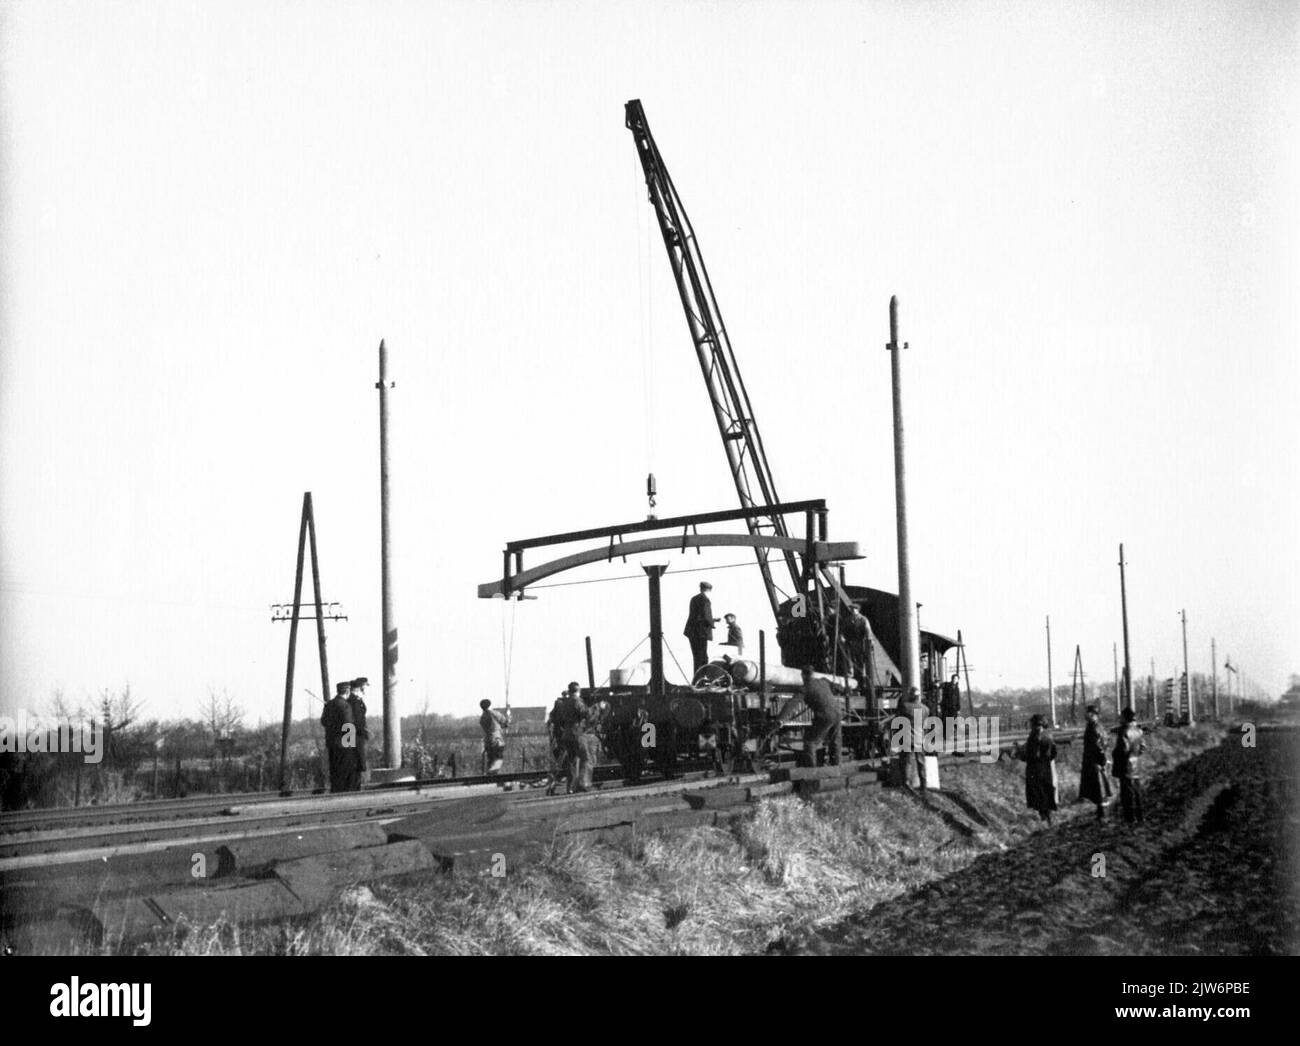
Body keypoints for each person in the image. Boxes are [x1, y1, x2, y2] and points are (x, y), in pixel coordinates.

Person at [779, 665, 842, 769]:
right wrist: (844, 689)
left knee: (810, 742)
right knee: (835, 741)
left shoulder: (805, 688)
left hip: (825, 715)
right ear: (813, 674)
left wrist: (781, 719)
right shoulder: (823, 681)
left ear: (802, 675)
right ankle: (837, 768)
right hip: (838, 713)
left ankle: (811, 771)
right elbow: (838, 687)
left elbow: (791, 704)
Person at [551, 681, 594, 793]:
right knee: (587, 759)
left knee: (572, 761)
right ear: (577, 691)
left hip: (566, 735)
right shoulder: (576, 701)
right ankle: (583, 783)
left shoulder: (563, 703)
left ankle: (570, 787)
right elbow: (586, 713)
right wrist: (597, 707)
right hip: (577, 734)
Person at [321, 682, 358, 793]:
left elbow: (323, 721)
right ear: (347, 691)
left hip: (332, 743)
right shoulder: (345, 705)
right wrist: (351, 744)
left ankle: (336, 790)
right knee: (346, 769)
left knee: (335, 769)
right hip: (344, 743)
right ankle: (345, 793)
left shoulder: (329, 705)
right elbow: (348, 725)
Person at [1022, 713, 1059, 823]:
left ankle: (1045, 819)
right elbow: (1054, 752)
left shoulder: (1035, 736)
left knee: (1038, 794)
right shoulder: (1048, 735)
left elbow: (1032, 755)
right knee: (1046, 792)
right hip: (1046, 768)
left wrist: (1019, 755)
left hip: (1035, 769)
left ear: (1035, 724)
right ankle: (1048, 818)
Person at [1112, 706, 1146, 824]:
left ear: (1125, 718)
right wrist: (1135, 755)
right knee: (1137, 792)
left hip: (1125, 766)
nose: (1119, 718)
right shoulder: (1139, 730)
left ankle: (1130, 819)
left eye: (1121, 716)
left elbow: (1123, 749)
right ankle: (1140, 816)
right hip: (1136, 765)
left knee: (1127, 794)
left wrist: (1114, 754)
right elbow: (1143, 747)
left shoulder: (1123, 731)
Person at [1078, 704, 1113, 821]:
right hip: (1096, 761)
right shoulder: (1096, 726)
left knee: (1100, 788)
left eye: (1087, 713)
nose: (1084, 715)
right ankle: (1101, 814)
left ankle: (1103, 816)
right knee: (1099, 788)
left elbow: (1099, 746)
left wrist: (1102, 761)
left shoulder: (1094, 727)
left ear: (1093, 714)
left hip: (1095, 762)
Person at [683, 581, 720, 673]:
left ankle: (696, 678)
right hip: (701, 632)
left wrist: (712, 619)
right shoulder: (705, 599)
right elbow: (706, 616)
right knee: (703, 657)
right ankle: (701, 679)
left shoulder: (694, 598)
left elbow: (698, 615)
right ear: (709, 590)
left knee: (696, 657)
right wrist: (712, 624)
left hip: (691, 631)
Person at [348, 677, 370, 789]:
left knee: (358, 761)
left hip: (357, 735)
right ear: (360, 687)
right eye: (365, 686)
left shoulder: (356, 700)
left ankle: (356, 786)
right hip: (355, 735)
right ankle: (355, 787)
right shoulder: (354, 701)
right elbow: (356, 720)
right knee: (357, 761)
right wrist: (364, 731)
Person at [479, 698, 511, 775]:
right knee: (499, 758)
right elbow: (505, 722)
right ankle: (493, 773)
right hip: (497, 740)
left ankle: (490, 777)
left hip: (487, 741)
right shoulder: (494, 713)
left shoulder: (482, 718)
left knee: (491, 759)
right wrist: (508, 719)